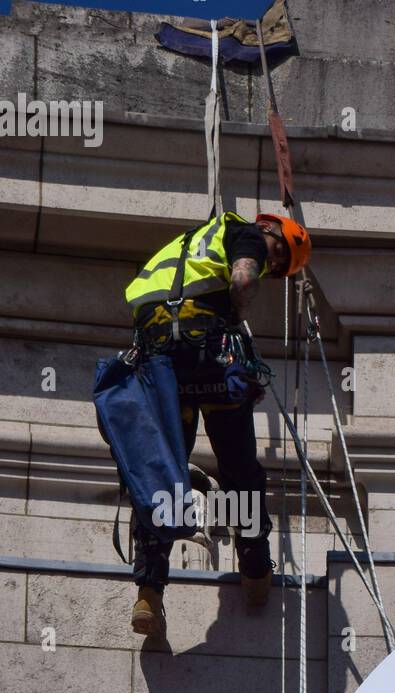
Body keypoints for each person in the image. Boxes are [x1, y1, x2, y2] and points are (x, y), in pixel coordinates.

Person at [121, 210, 311, 638]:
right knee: (237, 466)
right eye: (278, 257)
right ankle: (255, 565)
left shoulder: (186, 246)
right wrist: (236, 322)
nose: (272, 264)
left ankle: (149, 589)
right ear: (274, 232)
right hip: (208, 355)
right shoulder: (245, 233)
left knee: (163, 473)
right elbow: (243, 279)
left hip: (159, 362)